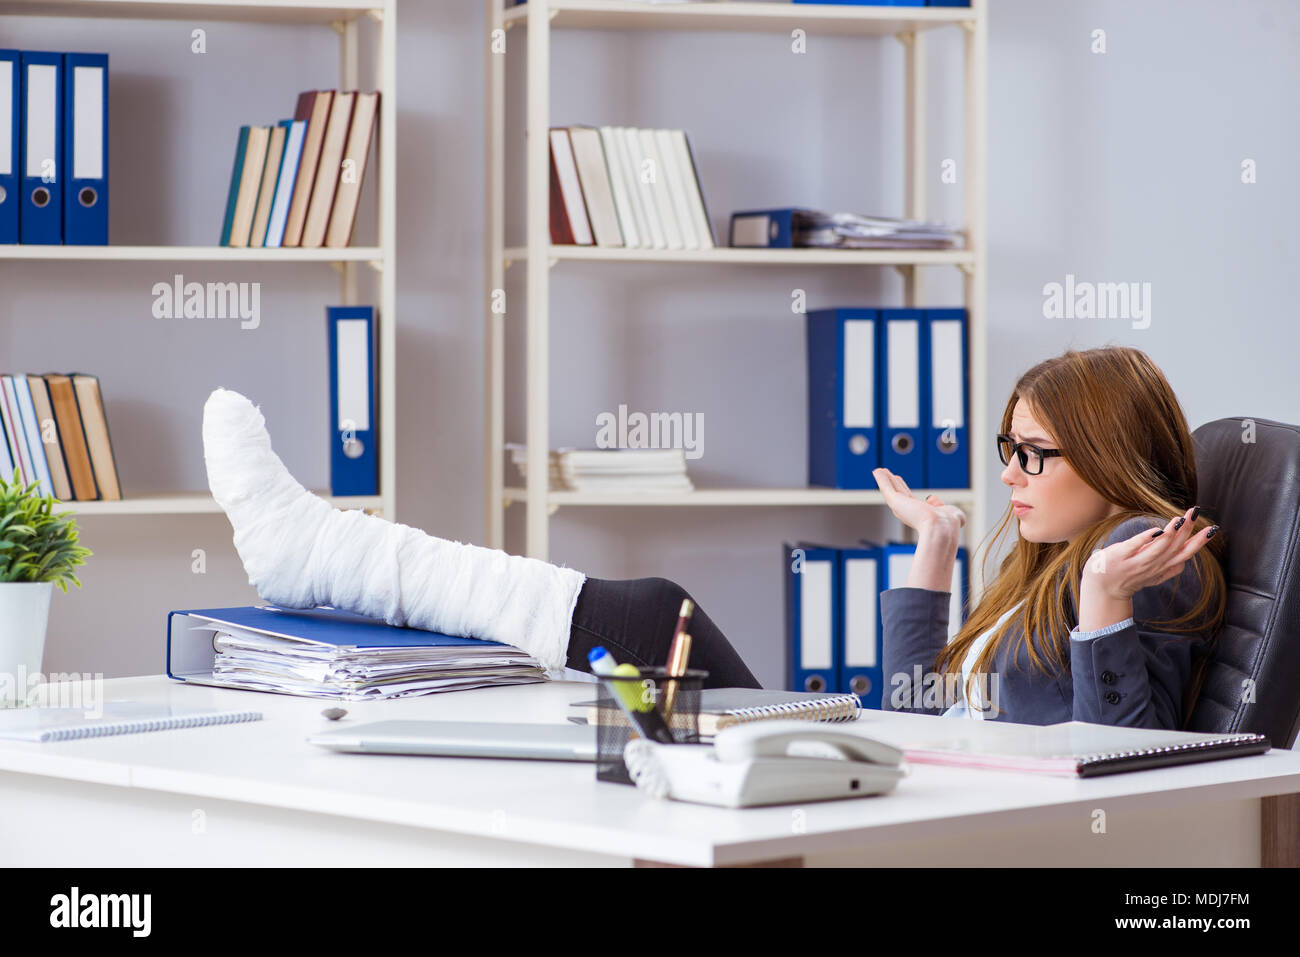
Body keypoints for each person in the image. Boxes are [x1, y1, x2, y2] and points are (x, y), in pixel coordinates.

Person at [201, 387, 760, 690]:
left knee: (659, 615)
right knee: (660, 609)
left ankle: (320, 552)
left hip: (814, 749)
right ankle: (320, 552)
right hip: (803, 740)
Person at [876, 345, 1224, 729]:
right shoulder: (1051, 557)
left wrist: (1106, 598)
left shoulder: (1139, 546)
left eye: (1033, 451)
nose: (1010, 473)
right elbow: (913, 718)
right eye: (1012, 448)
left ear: (1106, 458)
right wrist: (936, 538)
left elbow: (1120, 756)